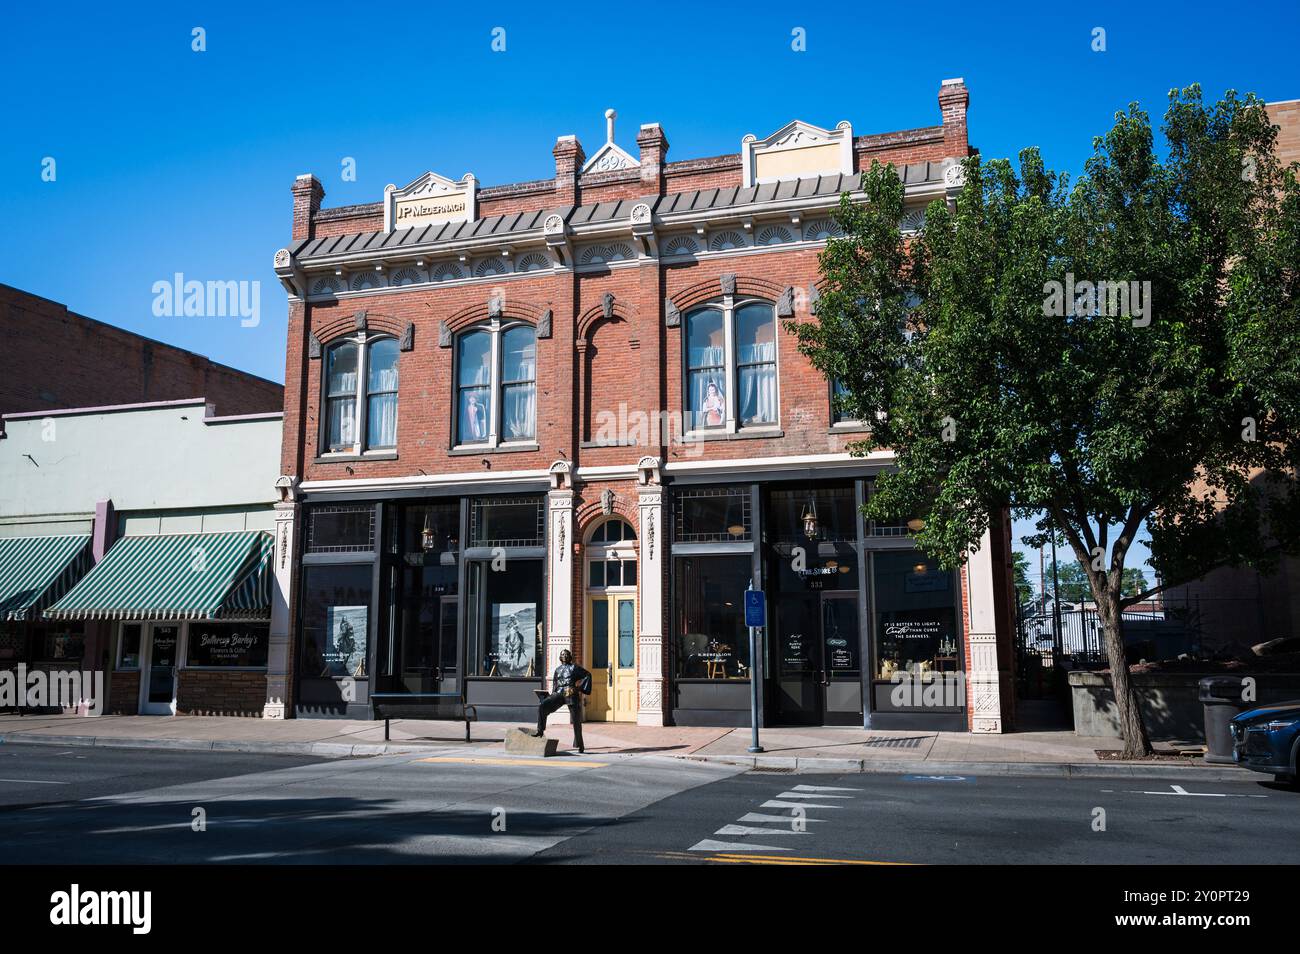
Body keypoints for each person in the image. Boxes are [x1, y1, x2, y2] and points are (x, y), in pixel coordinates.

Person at [535, 649, 592, 752]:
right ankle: (540, 731)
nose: (564, 656)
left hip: (571, 694)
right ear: (560, 658)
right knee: (542, 706)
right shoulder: (557, 670)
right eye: (562, 655)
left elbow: (588, 675)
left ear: (570, 657)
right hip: (559, 694)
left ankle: (580, 744)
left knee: (576, 720)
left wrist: (577, 688)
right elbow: (555, 686)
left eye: (566, 655)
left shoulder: (574, 667)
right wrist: (550, 696)